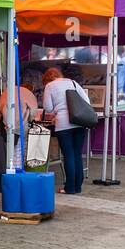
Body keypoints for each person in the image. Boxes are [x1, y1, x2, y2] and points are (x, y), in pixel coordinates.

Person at [41, 67, 89, 195]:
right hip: (79, 122)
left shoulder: (50, 86)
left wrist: (58, 110)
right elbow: (86, 101)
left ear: (46, 79)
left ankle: (69, 188)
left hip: (63, 124)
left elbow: (48, 108)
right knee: (77, 154)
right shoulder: (73, 82)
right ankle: (78, 186)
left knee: (68, 155)